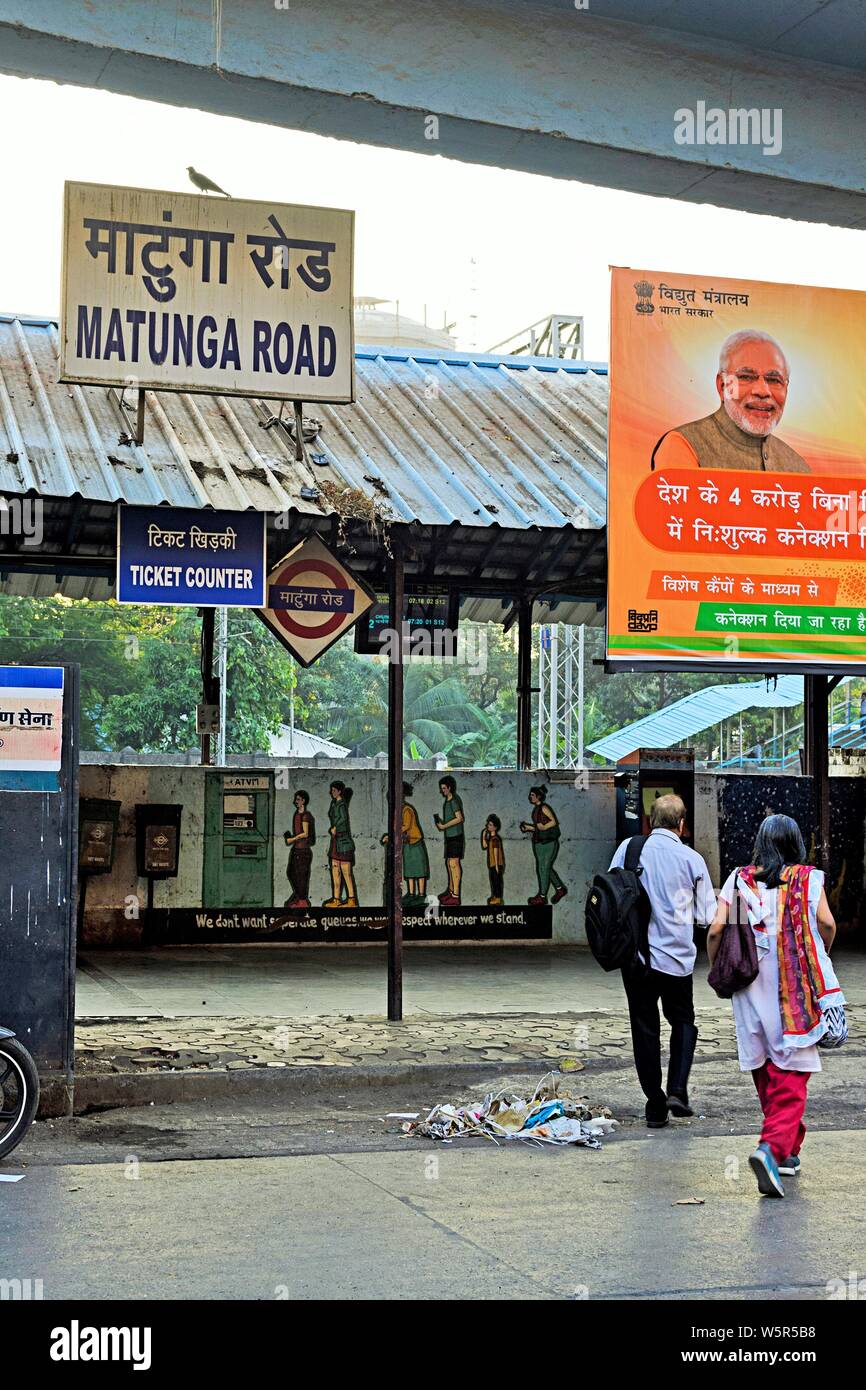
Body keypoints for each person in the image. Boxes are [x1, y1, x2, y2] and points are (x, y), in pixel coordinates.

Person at [707, 814, 845, 1198]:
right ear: (795, 843)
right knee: (794, 1076)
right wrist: (821, 954)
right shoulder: (806, 878)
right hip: (794, 990)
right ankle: (769, 1149)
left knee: (767, 1069)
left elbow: (717, 929)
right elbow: (827, 924)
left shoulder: (739, 879)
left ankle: (788, 1151)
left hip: (750, 987)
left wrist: (719, 969)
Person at [610, 794, 717, 1127]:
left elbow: (612, 895)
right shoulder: (692, 860)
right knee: (683, 1021)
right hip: (677, 960)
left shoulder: (628, 849)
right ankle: (677, 1090)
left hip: (636, 959)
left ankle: (654, 1105)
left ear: (649, 821)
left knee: (645, 1029)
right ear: (682, 825)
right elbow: (705, 917)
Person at [651, 330, 810, 473]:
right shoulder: (684, 445)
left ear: (786, 390)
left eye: (774, 380)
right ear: (722, 386)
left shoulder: (797, 466)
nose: (762, 391)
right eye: (746, 377)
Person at [381, 782, 430, 910]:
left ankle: (420, 895)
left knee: (419, 871)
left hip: (415, 842)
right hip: (407, 843)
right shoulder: (400, 810)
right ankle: (411, 893)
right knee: (409, 871)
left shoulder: (407, 810)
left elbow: (405, 827)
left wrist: (391, 836)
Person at [520, 785, 567, 905]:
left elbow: (553, 822)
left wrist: (544, 827)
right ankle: (560, 889)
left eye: (532, 795)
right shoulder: (536, 809)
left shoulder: (544, 807)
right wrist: (529, 828)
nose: (530, 797)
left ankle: (542, 896)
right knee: (544, 868)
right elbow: (538, 827)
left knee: (544, 868)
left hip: (548, 843)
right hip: (539, 842)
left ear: (538, 796)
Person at [323, 781, 357, 908]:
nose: (331, 792)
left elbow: (343, 818)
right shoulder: (334, 803)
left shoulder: (342, 804)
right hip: (335, 841)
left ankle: (351, 900)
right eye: (331, 790)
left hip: (343, 842)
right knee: (335, 871)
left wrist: (335, 827)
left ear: (339, 791)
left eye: (333, 790)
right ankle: (336, 899)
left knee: (346, 873)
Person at [434, 776, 465, 906]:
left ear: (450, 788)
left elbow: (460, 818)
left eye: (444, 788)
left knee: (454, 864)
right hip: (450, 836)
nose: (442, 791)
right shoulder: (448, 801)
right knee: (449, 863)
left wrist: (444, 826)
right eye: (441, 789)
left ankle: (456, 895)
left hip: (456, 836)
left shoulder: (453, 801)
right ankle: (451, 891)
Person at [283, 789, 314, 909]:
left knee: (301, 876)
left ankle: (302, 901)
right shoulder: (296, 814)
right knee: (291, 873)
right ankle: (299, 896)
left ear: (304, 801)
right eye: (296, 799)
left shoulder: (305, 815)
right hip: (297, 849)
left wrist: (292, 839)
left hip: (303, 850)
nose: (296, 801)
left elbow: (305, 833)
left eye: (298, 799)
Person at [481, 814, 506, 905]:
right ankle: (495, 896)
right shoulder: (490, 838)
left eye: (490, 824)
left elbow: (496, 853)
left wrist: (496, 865)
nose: (488, 825)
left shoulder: (495, 839)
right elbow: (484, 846)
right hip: (492, 864)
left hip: (496, 864)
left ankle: (498, 898)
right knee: (493, 880)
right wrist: (483, 835)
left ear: (495, 827)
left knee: (497, 881)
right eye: (488, 824)